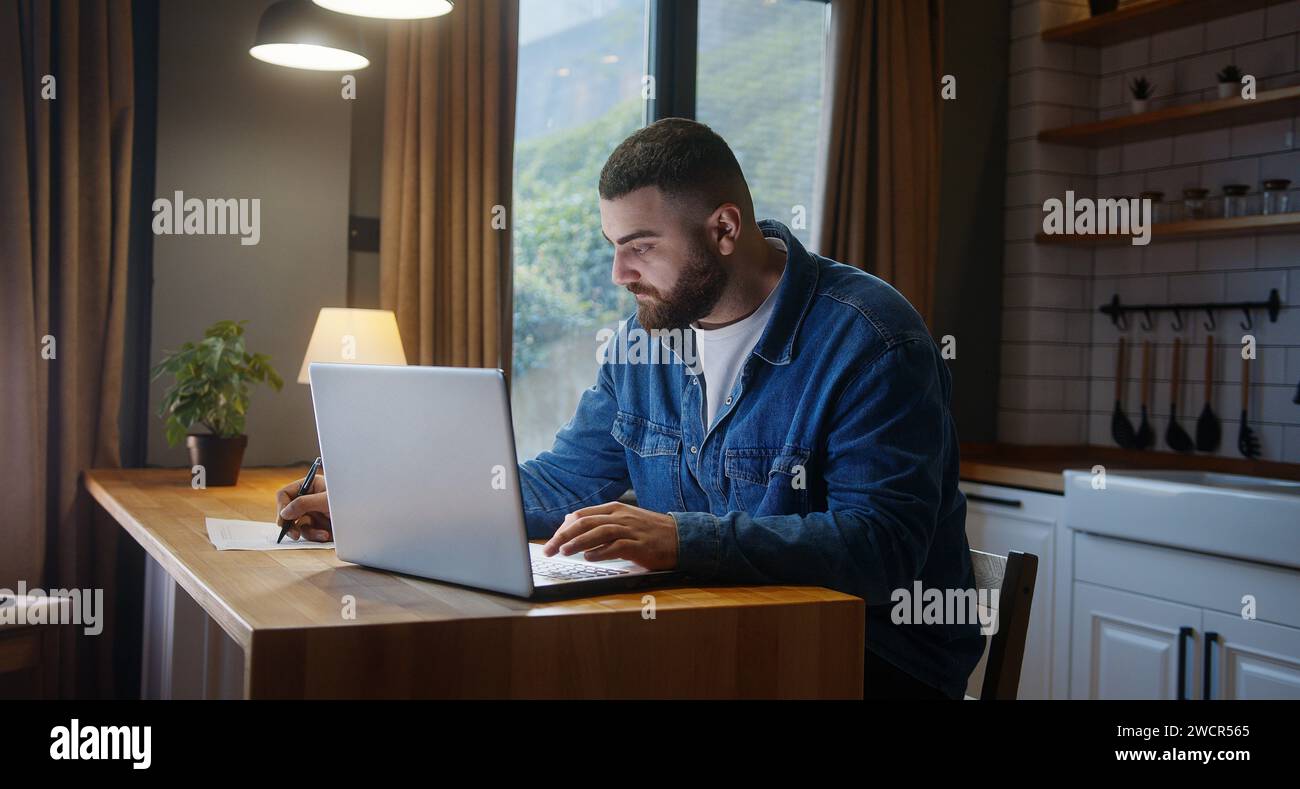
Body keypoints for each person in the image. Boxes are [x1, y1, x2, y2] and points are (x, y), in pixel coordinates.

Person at [276, 118, 982, 699]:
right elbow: (563, 482)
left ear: (724, 229)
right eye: (614, 247)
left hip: (874, 664)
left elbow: (883, 546)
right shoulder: (641, 347)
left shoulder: (872, 338)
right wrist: (389, 504)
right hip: (715, 641)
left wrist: (682, 538)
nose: (619, 273)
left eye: (640, 247)